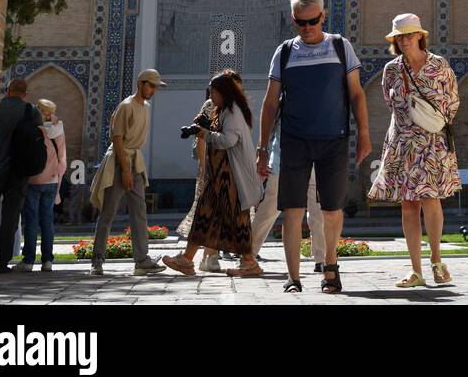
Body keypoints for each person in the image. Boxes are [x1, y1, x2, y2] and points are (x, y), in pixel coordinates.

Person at [257, 0, 371, 295]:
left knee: (331, 210)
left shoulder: (339, 46)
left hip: (333, 139)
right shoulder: (284, 52)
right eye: (299, 23)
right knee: (292, 210)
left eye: (311, 21)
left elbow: (357, 94)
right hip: (294, 140)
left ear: (322, 16)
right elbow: (269, 104)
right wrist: (262, 147)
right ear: (293, 20)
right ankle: (293, 277)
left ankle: (329, 268)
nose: (306, 28)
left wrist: (363, 134)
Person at [367, 13, 461, 288]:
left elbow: (453, 102)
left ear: (420, 35)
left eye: (410, 34)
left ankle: (437, 261)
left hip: (432, 142)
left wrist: (432, 123)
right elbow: (390, 102)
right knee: (409, 205)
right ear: (395, 40)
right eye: (400, 36)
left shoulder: (439, 65)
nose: (405, 40)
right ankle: (416, 270)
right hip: (404, 142)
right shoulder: (392, 70)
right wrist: (406, 99)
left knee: (431, 200)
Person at [162, 71, 263, 277]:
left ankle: (249, 263)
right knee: (205, 215)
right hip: (219, 176)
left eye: (215, 91)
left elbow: (228, 141)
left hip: (231, 177)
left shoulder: (232, 111)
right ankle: (187, 260)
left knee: (236, 219)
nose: (212, 95)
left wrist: (203, 134)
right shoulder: (221, 110)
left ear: (224, 92)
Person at [89, 68, 167, 277]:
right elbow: (117, 139)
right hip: (119, 161)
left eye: (155, 87)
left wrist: (132, 169)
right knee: (108, 213)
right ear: (140, 83)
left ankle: (142, 260)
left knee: (139, 212)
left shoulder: (146, 107)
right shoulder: (126, 106)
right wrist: (125, 170)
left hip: (135, 161)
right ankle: (97, 261)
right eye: (151, 85)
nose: (153, 90)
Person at [0, 78, 45, 274]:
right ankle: (1, 263)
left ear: (7, 90)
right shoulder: (32, 112)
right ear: (25, 94)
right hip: (19, 172)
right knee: (10, 218)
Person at [250, 121, 324, 270]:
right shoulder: (282, 96)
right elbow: (269, 120)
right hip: (283, 160)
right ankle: (248, 254)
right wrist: (262, 153)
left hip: (317, 160)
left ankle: (322, 259)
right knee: (268, 210)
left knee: (318, 212)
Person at [13, 97, 67, 272]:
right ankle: (47, 261)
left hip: (33, 180)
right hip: (51, 181)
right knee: (47, 222)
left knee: (31, 221)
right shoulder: (58, 129)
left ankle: (28, 261)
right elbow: (62, 159)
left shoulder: (31, 128)